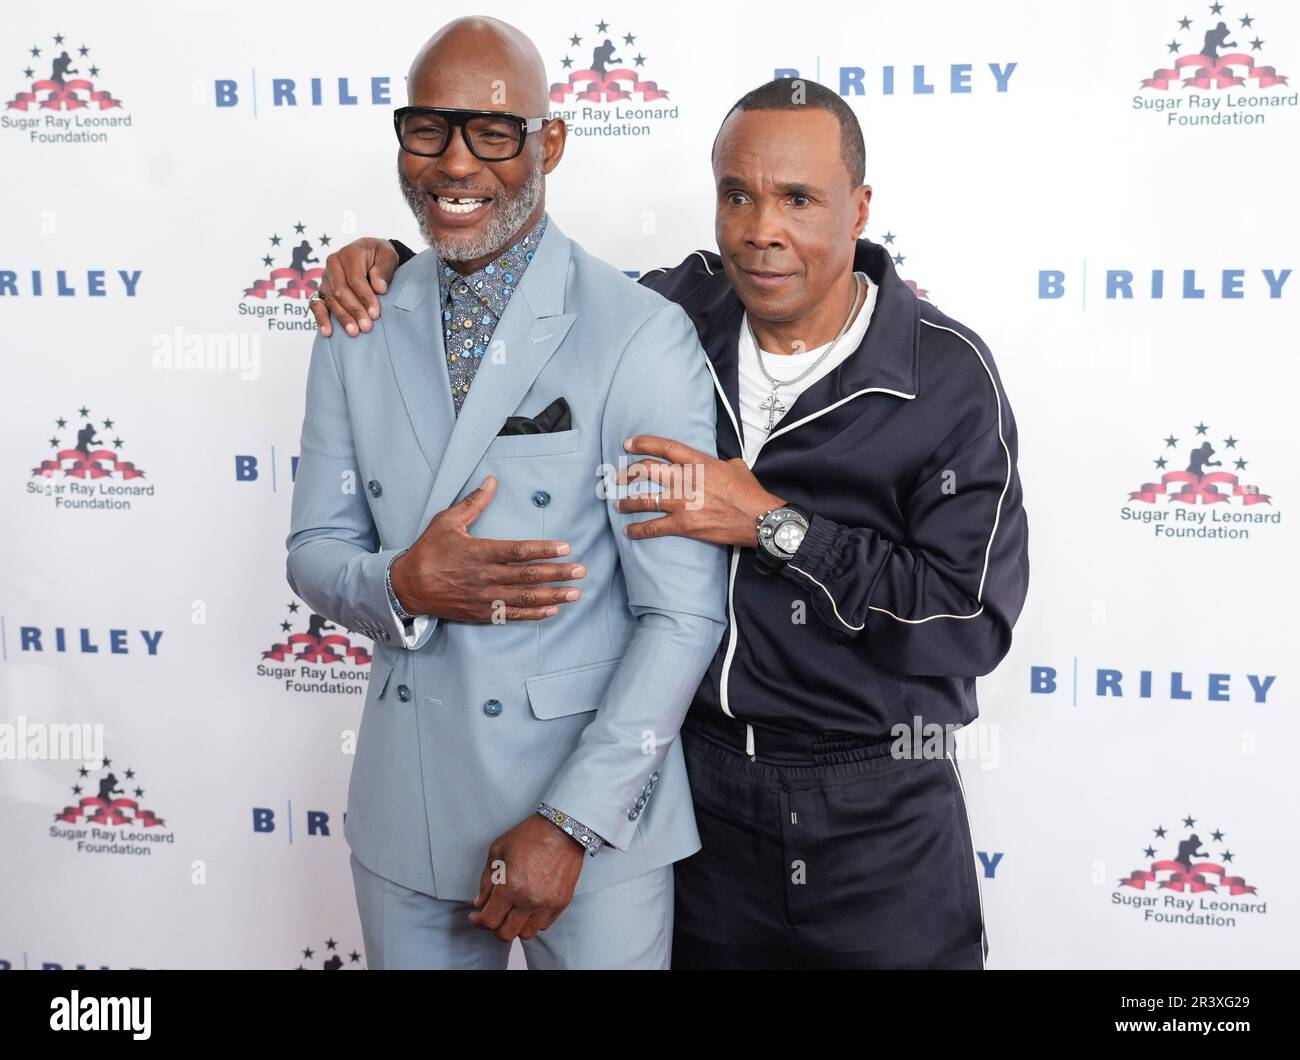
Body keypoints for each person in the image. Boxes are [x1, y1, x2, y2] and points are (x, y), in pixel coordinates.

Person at [312, 77, 1030, 970]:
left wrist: (772, 524)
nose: (760, 229)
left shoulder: (946, 375)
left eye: (799, 199)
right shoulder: (673, 314)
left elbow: (967, 622)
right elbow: (530, 291)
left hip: (876, 811)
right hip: (700, 797)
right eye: (737, 195)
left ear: (860, 209)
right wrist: (392, 257)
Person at [286, 16, 727, 970]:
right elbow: (315, 548)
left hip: (595, 827)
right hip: (408, 815)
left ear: (549, 143)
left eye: (491, 132)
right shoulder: (355, 322)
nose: (454, 163)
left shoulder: (638, 335)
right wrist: (401, 585)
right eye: (426, 128)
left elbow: (681, 613)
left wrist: (571, 824)